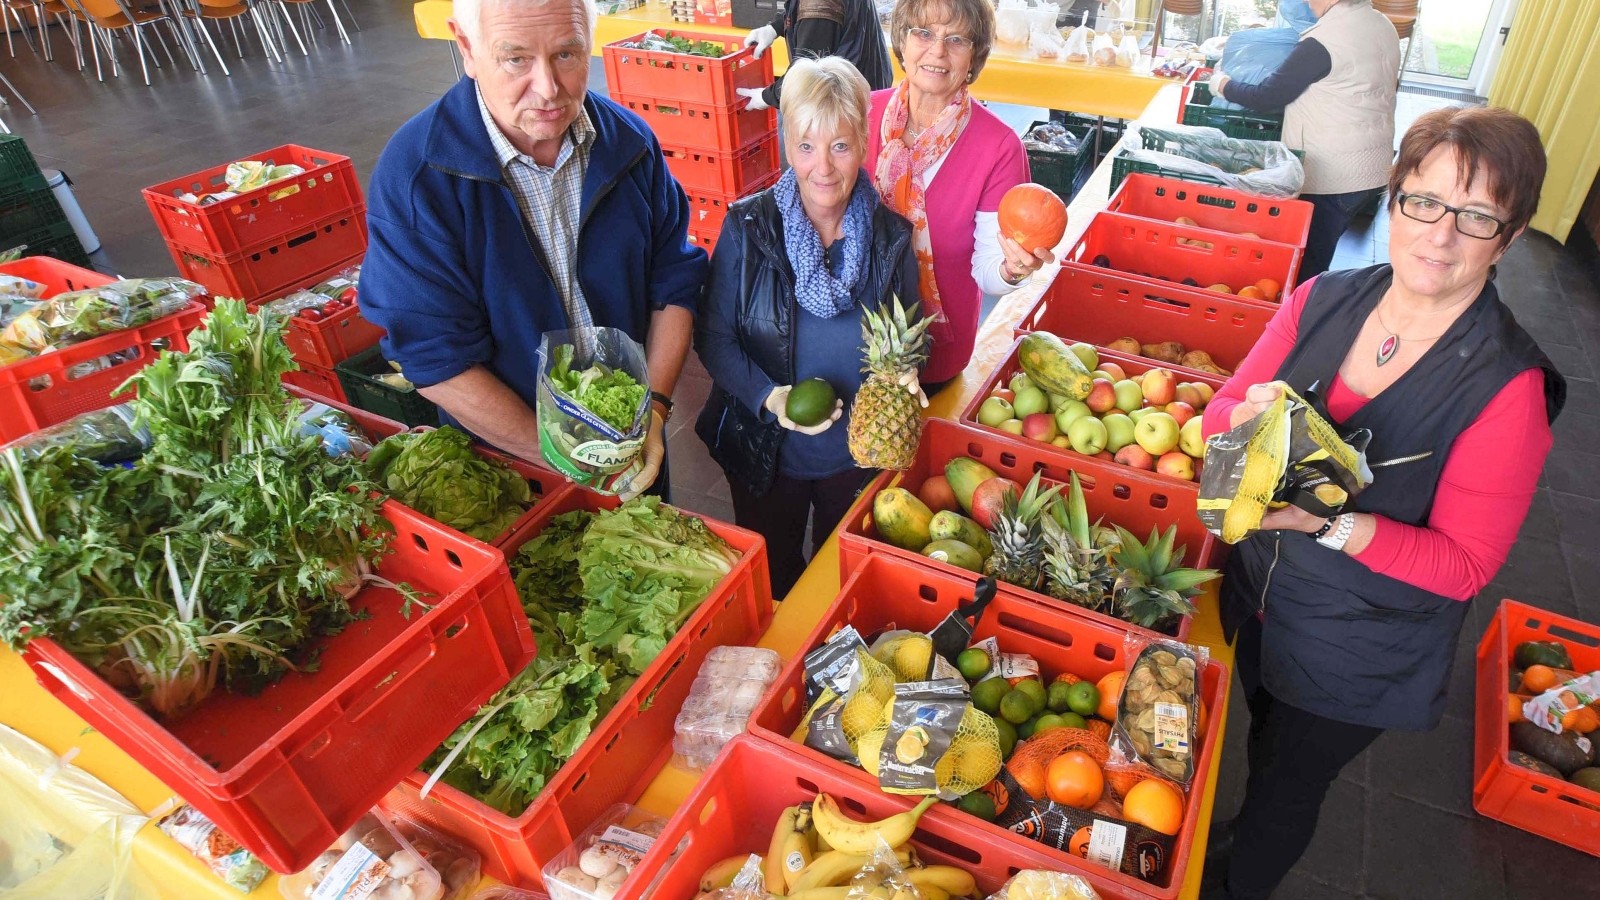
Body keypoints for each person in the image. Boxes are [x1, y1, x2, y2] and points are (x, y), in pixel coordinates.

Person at [1198, 106, 1565, 900]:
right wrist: (1248, 422)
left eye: (1476, 216)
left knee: (1288, 789)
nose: (1439, 235)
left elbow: (1464, 565)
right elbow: (1217, 412)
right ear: (1394, 201)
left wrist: (1329, 523)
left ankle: (1239, 883)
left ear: (1509, 236)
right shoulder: (1323, 299)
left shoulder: (1507, 390)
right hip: (1257, 596)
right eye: (1423, 202)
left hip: (1357, 652)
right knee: (1263, 738)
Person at [360, 0, 707, 497]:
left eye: (567, 54)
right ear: (467, 49)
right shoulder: (417, 178)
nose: (548, 89)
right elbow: (435, 358)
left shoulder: (630, 145)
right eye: (516, 59)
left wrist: (652, 411)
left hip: (632, 448)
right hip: (512, 470)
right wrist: (569, 464)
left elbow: (673, 281)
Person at [697, 57, 920, 599]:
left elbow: (916, 330)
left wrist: (910, 369)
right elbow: (714, 337)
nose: (823, 166)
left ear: (863, 145)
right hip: (766, 453)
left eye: (840, 146)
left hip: (858, 455)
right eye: (806, 146)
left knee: (837, 585)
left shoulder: (891, 236)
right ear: (786, 146)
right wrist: (767, 397)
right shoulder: (748, 227)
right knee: (772, 580)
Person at [866, 0, 1048, 388]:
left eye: (957, 39)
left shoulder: (998, 146)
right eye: (924, 33)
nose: (937, 50)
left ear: (975, 56)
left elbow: (988, 271)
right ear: (902, 40)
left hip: (933, 355)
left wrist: (1013, 269)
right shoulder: (860, 113)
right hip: (846, 337)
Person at [1209, 0, 1398, 279]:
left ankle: (1302, 316)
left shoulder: (1324, 41)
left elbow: (1267, 96)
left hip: (1334, 175)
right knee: (1322, 248)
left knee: (1309, 264)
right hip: (1373, 168)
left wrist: (1222, 85)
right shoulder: (1382, 24)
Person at [738, 0, 893, 111]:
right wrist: (774, 27)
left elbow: (804, 76)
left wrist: (766, 97)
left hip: (844, 107)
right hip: (869, 87)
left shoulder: (820, 5)